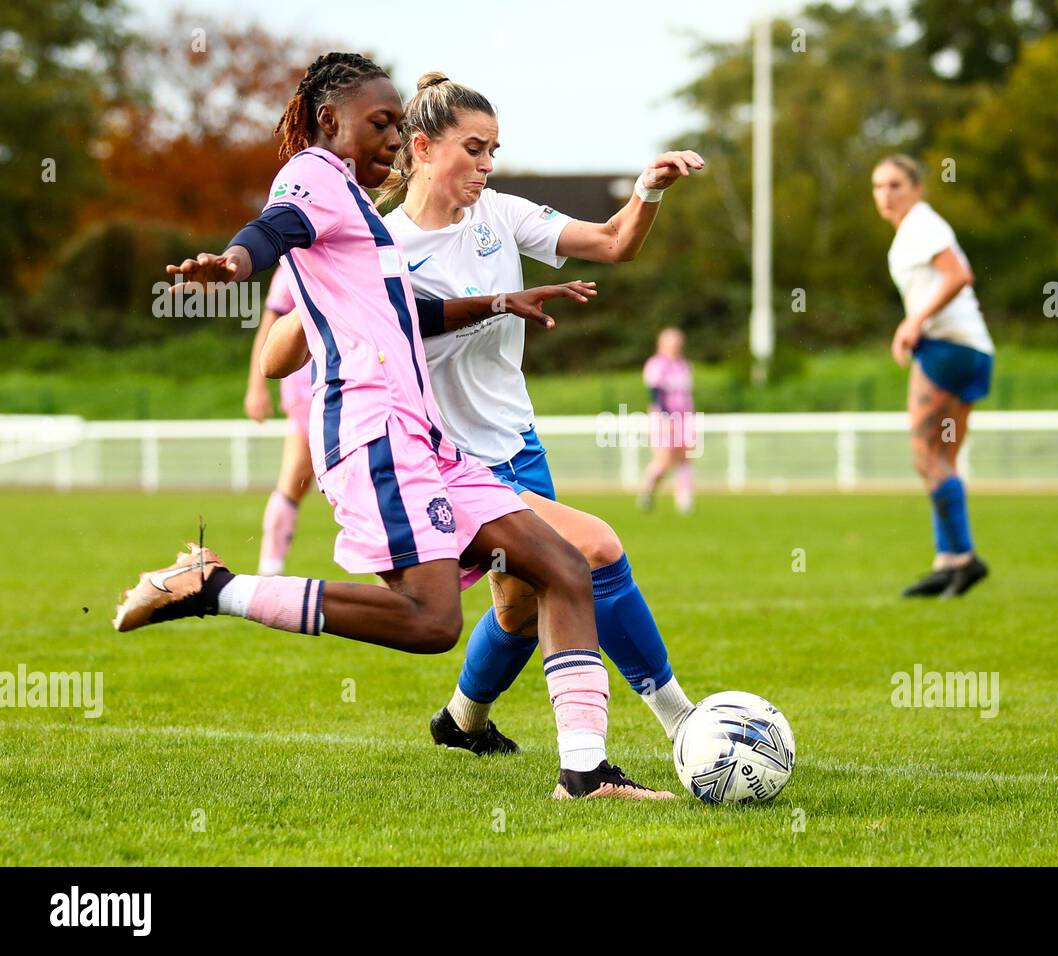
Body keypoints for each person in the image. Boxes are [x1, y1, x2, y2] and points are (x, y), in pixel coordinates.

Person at [114, 52, 672, 800]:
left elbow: (406, 313)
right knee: (432, 620)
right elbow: (274, 226)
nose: (390, 136)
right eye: (380, 125)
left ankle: (584, 774)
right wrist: (239, 264)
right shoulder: (315, 174)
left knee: (567, 567)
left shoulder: (362, 216)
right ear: (328, 121)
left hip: (430, 441)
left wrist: (499, 303)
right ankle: (213, 587)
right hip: (375, 433)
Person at [376, 72, 704, 754]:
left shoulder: (499, 214)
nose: (488, 164)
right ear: (424, 147)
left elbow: (614, 243)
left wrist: (647, 192)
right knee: (592, 553)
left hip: (518, 443)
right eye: (474, 148)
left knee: (519, 606)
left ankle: (461, 722)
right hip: (453, 460)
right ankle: (684, 722)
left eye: (495, 149)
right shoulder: (383, 249)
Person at [871, 154, 992, 598]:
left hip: (948, 348)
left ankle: (962, 556)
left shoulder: (921, 225)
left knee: (926, 456)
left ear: (917, 188)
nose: (885, 195)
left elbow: (959, 275)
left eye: (895, 185)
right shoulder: (917, 227)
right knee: (944, 459)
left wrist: (914, 322)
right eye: (878, 187)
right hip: (975, 348)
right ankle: (949, 561)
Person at [244, 266, 315, 574]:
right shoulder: (293, 266)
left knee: (294, 483)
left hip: (344, 383)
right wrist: (257, 386)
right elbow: (269, 328)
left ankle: (268, 572)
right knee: (294, 480)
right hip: (309, 387)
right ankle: (268, 572)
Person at [638, 326, 696, 514]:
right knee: (663, 462)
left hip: (684, 416)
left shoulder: (683, 365)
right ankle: (648, 490)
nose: (675, 346)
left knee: (685, 456)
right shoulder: (656, 364)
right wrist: (665, 417)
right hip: (663, 417)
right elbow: (656, 393)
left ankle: (684, 499)